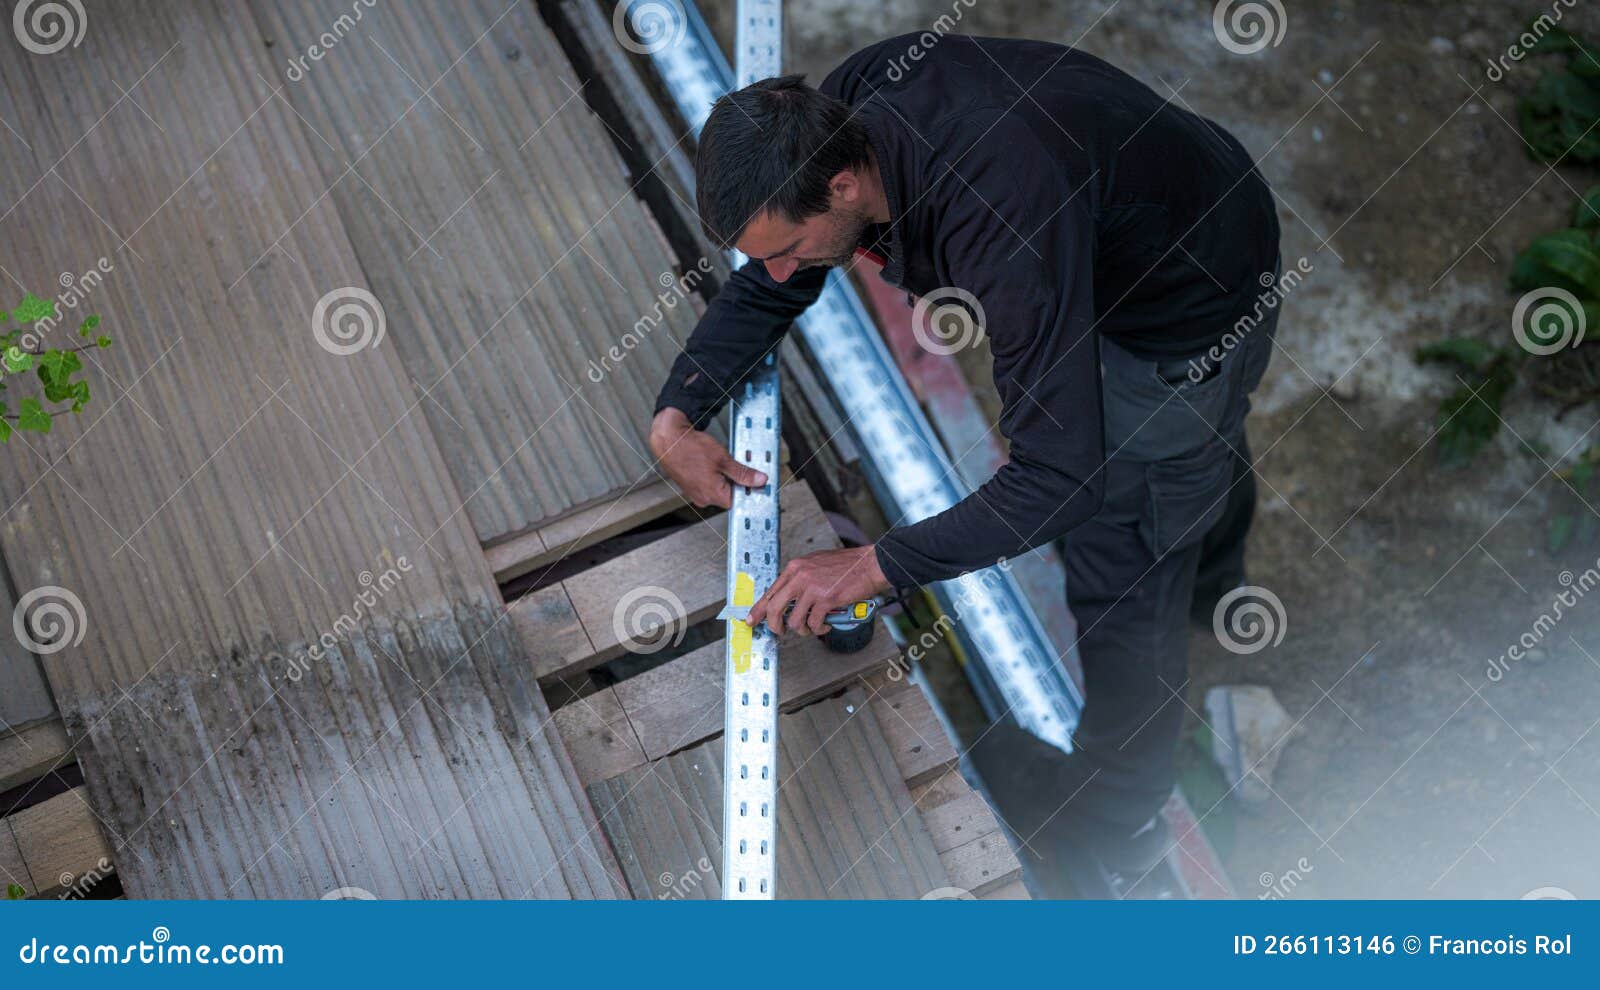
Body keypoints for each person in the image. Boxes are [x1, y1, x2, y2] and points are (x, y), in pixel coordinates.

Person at [648, 33, 1281, 895]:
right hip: (1167, 204)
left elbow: (1062, 477)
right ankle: (1212, 570)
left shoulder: (1003, 211)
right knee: (1189, 468)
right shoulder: (848, 118)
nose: (779, 270)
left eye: (788, 246)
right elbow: (777, 278)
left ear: (840, 185)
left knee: (1125, 562)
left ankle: (1112, 825)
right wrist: (680, 410)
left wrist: (877, 564)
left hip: (1187, 306)